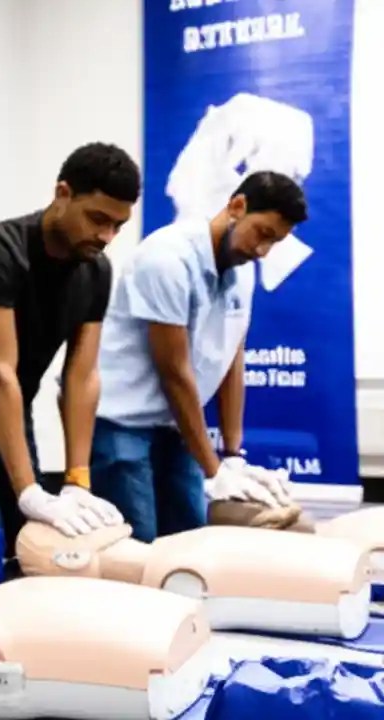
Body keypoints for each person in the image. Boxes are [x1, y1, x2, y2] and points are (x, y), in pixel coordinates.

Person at [0, 143, 141, 557]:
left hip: (14, 411)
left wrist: (77, 479)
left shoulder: (96, 270)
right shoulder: (0, 251)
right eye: (98, 219)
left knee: (29, 547)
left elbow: (81, 377)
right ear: (63, 193)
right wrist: (29, 489)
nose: (106, 237)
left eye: (118, 226)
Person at [88, 171, 307, 543]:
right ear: (237, 206)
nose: (262, 251)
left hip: (175, 426)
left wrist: (233, 453)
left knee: (190, 541)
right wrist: (213, 470)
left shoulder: (242, 272)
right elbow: (174, 372)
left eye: (275, 242)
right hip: (121, 424)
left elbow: (232, 358)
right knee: (138, 546)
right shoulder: (167, 259)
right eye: (263, 233)